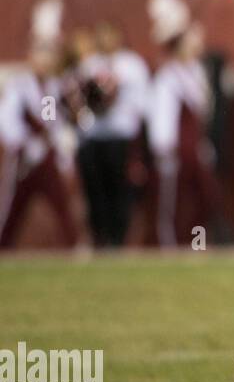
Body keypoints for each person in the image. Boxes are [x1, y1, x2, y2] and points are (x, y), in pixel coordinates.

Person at [69, 22, 151, 247]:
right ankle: (99, 237)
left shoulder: (132, 64)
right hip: (92, 136)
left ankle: (118, 239)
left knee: (120, 190)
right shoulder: (88, 64)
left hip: (121, 136)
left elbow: (142, 104)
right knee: (95, 191)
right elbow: (74, 99)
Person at [147, 0, 219, 248]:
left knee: (205, 197)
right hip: (176, 151)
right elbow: (163, 116)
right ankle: (170, 246)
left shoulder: (197, 71)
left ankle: (195, 243)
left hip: (194, 148)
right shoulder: (168, 76)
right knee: (172, 201)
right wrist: (164, 147)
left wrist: (202, 144)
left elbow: (201, 115)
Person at [0, 35, 78, 249]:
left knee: (60, 203)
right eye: (41, 55)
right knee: (12, 209)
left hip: (45, 157)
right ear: (31, 57)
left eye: (49, 56)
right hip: (23, 160)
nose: (45, 61)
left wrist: (58, 151)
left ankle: (75, 247)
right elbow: (7, 121)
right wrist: (26, 143)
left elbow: (50, 122)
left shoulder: (51, 89)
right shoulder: (20, 86)